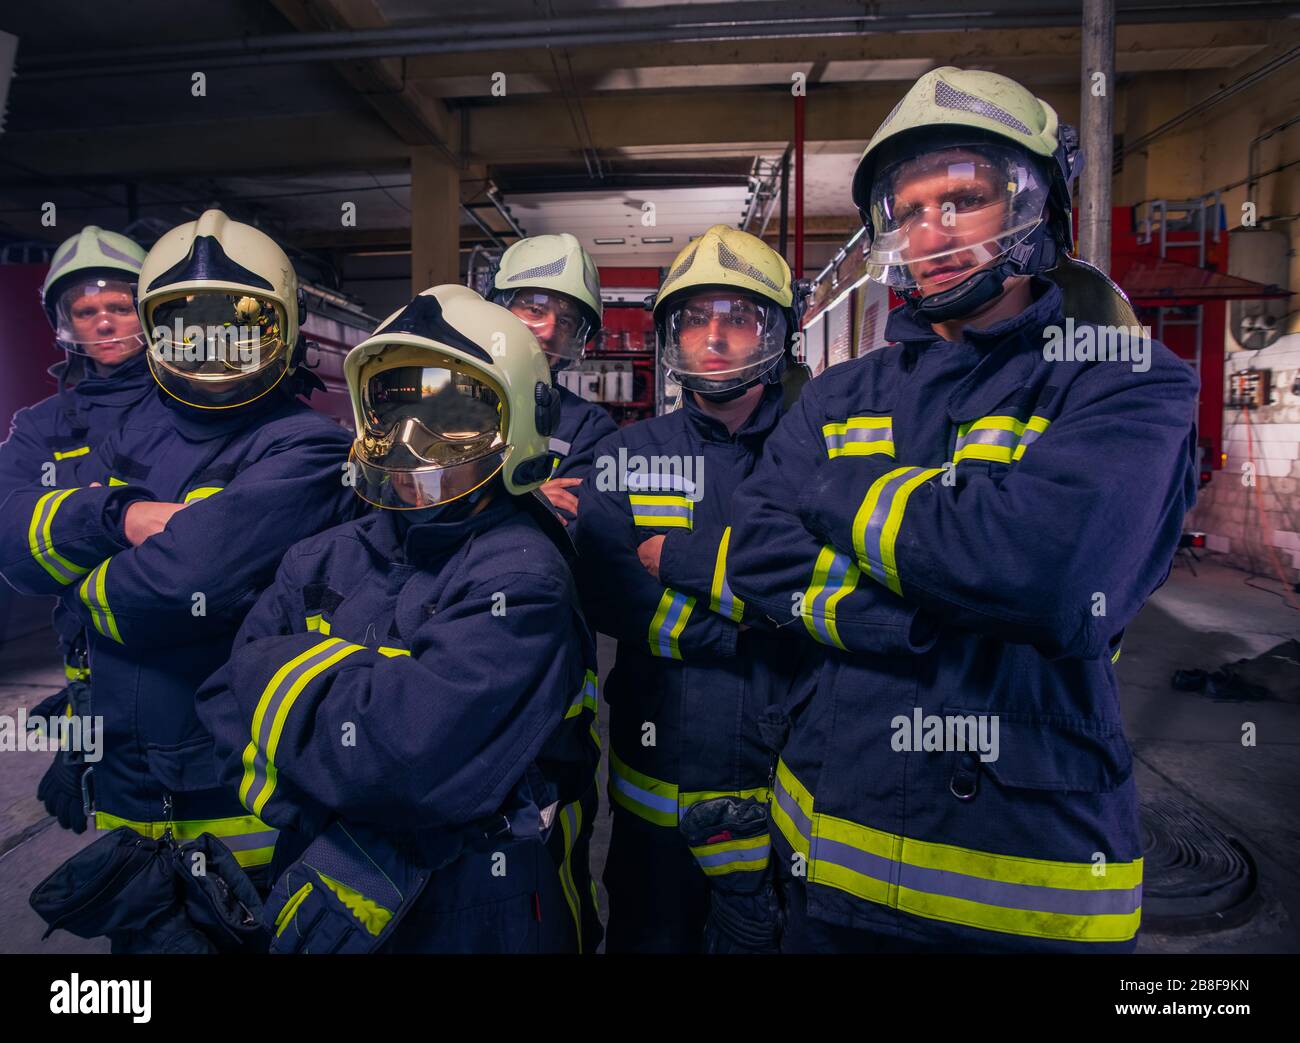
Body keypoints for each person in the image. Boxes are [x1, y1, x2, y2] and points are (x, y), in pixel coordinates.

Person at [726, 67, 1199, 953]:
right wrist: (934, 608)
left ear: (1039, 206)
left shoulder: (1125, 380)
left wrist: (833, 493)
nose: (930, 232)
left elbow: (1049, 576)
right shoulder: (837, 393)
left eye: (965, 199)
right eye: (906, 211)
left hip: (1022, 892)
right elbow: (757, 554)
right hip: (824, 863)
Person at [195, 284, 601, 953]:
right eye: (395, 405)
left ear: (518, 419)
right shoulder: (321, 555)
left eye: (452, 412)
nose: (413, 440)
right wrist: (347, 807)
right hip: (331, 878)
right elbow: (218, 701)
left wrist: (281, 684)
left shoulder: (523, 574)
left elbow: (407, 757)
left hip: (491, 908)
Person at [1, 210, 357, 950]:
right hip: (131, 771)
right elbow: (14, 547)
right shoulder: (130, 428)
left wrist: (87, 584)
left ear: (282, 330)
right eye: (184, 324)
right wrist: (117, 518)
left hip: (235, 780)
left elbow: (184, 579)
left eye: (235, 325)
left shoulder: (306, 443)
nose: (208, 347)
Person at [575, 225, 805, 952]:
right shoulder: (624, 455)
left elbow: (834, 580)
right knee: (651, 934)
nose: (715, 338)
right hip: (657, 774)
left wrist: (682, 564)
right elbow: (614, 595)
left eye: (738, 318)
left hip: (789, 773)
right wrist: (761, 621)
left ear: (776, 333)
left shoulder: (818, 449)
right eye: (695, 319)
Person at [0, 227, 155, 833]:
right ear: (65, 323)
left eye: (119, 307)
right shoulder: (42, 426)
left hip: (195, 651)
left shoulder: (198, 403)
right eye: (86, 311)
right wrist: (120, 518)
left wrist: (69, 523)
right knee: (125, 842)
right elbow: (12, 545)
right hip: (92, 656)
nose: (105, 323)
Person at [490, 233, 616, 524]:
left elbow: (566, 523)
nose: (548, 332)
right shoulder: (444, 399)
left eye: (565, 321)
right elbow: (414, 500)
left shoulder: (588, 427)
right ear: (498, 309)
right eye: (535, 310)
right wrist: (526, 502)